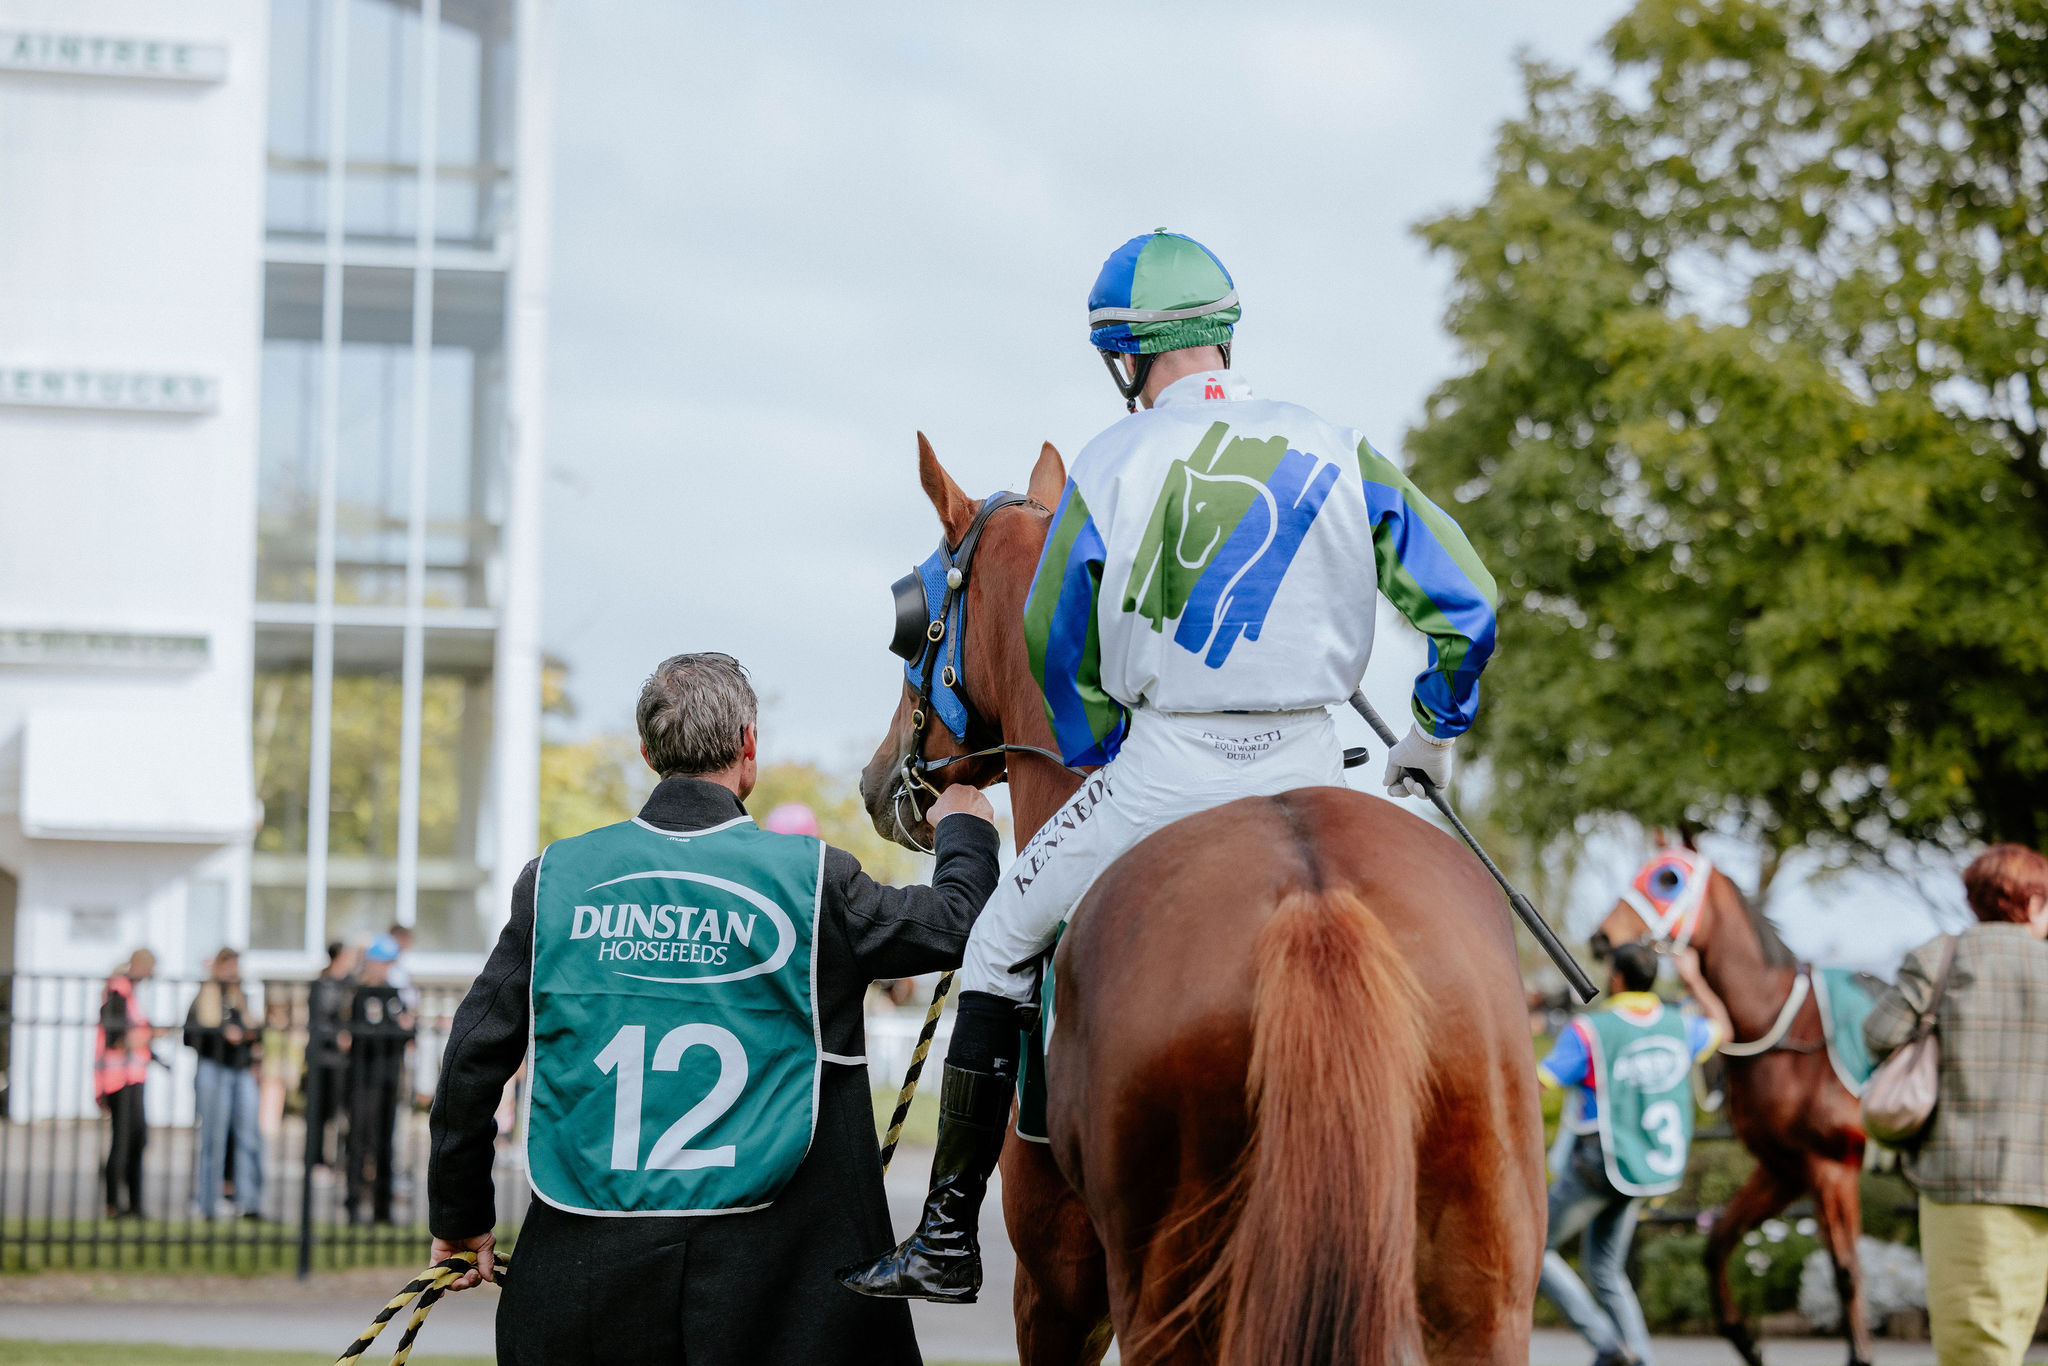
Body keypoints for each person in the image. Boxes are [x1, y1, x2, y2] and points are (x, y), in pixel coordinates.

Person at [843, 229, 1501, 1301]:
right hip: (1325, 752)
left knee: (1003, 942)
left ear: (1124, 357)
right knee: (1463, 927)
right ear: (1224, 337)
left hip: (1169, 764)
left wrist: (1101, 748)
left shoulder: (1107, 460)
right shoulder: (1336, 443)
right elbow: (1466, 602)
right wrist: (1428, 728)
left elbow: (1059, 642)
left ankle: (948, 1234)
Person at [427, 652, 1002, 1366]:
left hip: (579, 1290)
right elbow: (958, 921)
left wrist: (460, 1216)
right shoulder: (816, 880)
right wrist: (966, 825)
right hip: (782, 1299)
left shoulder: (553, 880)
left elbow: (470, 1062)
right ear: (748, 747)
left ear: (646, 752)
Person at [1866, 843, 2048, 1366]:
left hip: (1959, 1173)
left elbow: (1878, 1034)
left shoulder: (1942, 957)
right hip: (2039, 1176)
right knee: (2012, 1329)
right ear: (2033, 902)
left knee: (1973, 1343)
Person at [1536, 942, 1726, 1366]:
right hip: (1645, 1168)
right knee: (1605, 1269)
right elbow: (1723, 1028)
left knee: (1537, 1249)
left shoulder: (1591, 1031)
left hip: (1598, 1163)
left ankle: (1607, 1345)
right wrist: (1694, 978)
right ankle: (1639, 1358)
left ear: (1616, 978)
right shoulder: (1680, 1026)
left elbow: (1539, 1082)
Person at [184, 947, 265, 1221]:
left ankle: (249, 1202)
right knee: (213, 1140)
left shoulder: (238, 998)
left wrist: (252, 1036)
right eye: (228, 966)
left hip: (240, 1070)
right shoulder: (206, 997)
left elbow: (255, 1033)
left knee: (250, 1136)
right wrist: (221, 1034)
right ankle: (207, 1204)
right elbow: (190, 1036)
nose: (233, 972)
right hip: (214, 1069)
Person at [345, 938, 416, 1224]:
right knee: (361, 1141)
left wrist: (400, 1030)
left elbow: (408, 1031)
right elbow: (364, 1034)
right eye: (383, 962)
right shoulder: (362, 994)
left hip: (388, 1077)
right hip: (365, 1079)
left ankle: (382, 1210)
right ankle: (352, 1206)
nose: (386, 968)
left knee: (386, 1143)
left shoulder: (393, 993)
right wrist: (395, 1030)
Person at [96, 948, 156, 1219]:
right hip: (118, 1078)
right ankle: (113, 1204)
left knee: (137, 1140)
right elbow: (116, 1037)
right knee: (121, 1142)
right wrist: (150, 1036)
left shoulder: (129, 994)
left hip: (134, 1076)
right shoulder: (117, 992)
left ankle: (135, 1204)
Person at [306, 940, 355, 1169]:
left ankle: (342, 1158)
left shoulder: (351, 983)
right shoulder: (322, 984)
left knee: (344, 1112)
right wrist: (337, 1037)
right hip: (324, 1057)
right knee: (319, 1111)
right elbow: (319, 1021)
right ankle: (315, 1159)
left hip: (343, 1060)